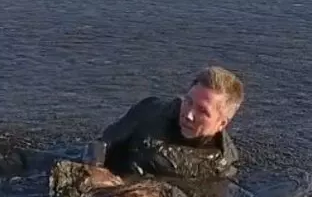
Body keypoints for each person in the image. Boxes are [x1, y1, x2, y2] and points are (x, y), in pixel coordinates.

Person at [94, 66, 244, 180]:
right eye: (188, 102)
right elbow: (101, 144)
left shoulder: (221, 164)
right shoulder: (150, 112)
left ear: (222, 124)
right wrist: (96, 173)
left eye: (202, 111)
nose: (189, 115)